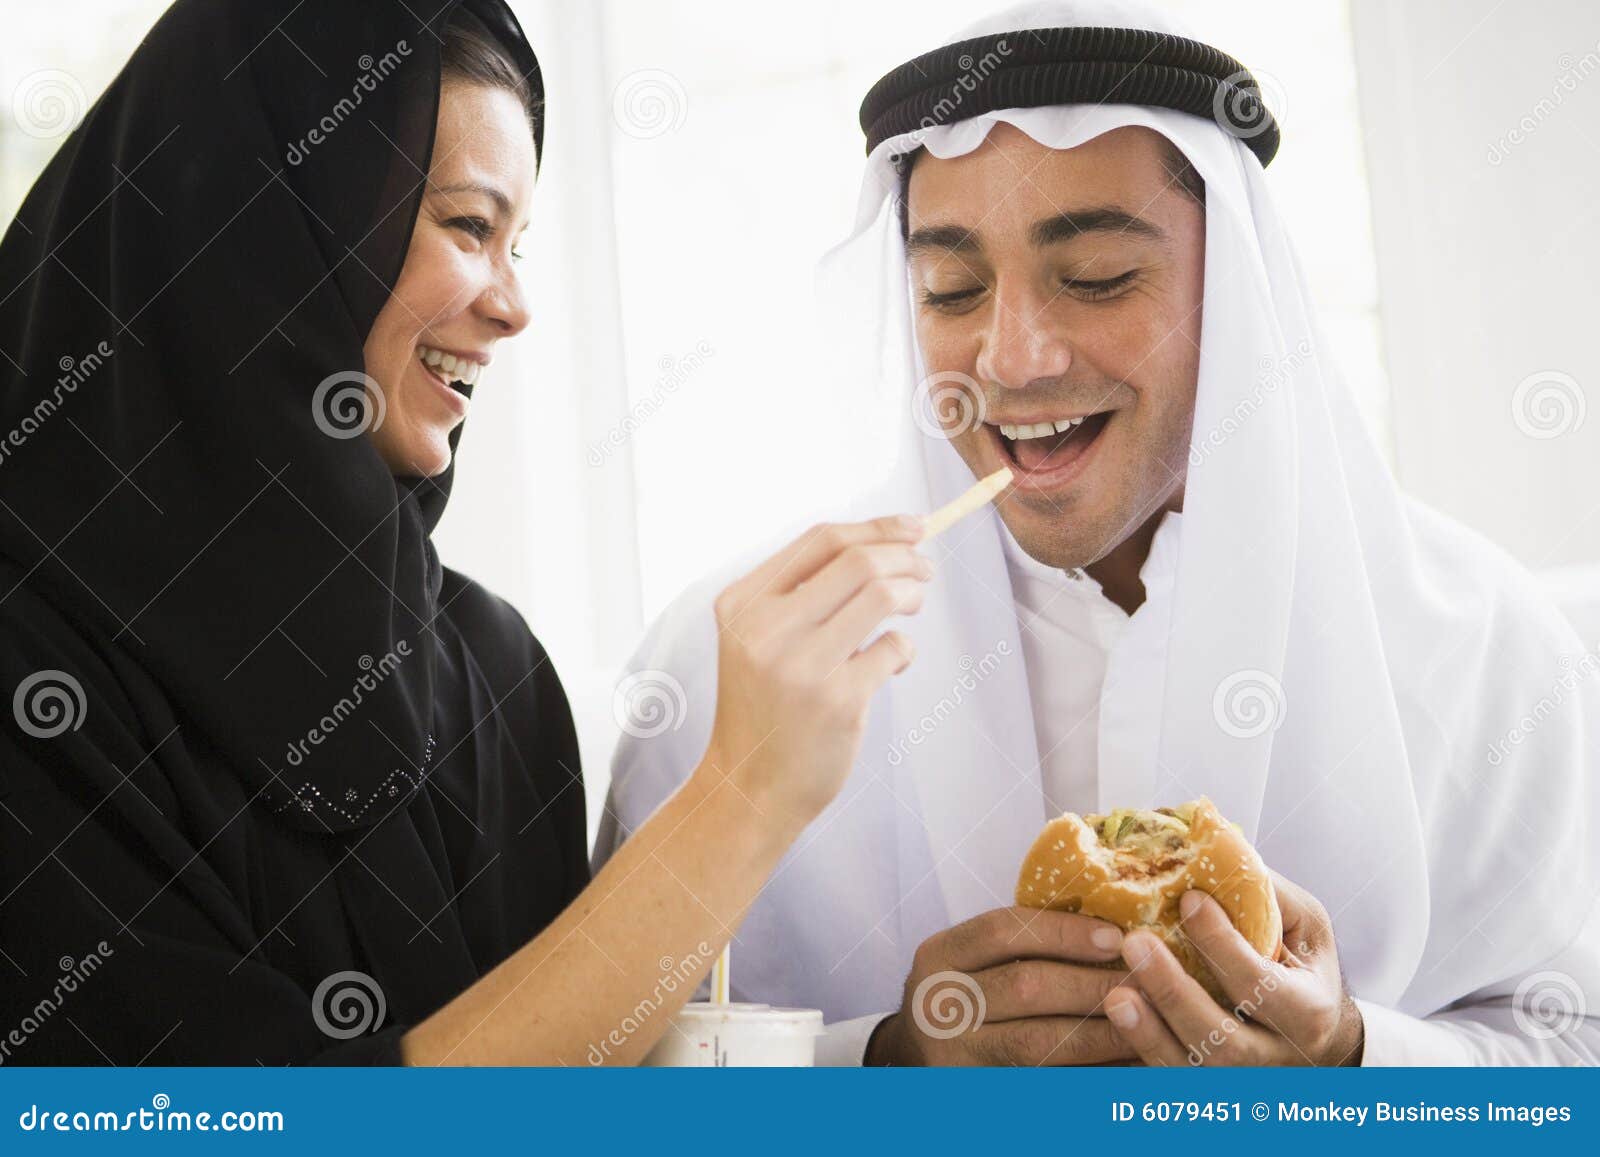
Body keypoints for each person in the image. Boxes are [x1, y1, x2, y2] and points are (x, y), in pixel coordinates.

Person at [599, 0, 1600, 1066]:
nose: (1013, 358)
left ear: (1239, 293)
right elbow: (599, 1078)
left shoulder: (1488, 644)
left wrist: (1351, 1062)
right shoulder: (724, 667)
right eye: (952, 288)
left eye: (1096, 280)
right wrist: (890, 1064)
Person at [0, 0, 928, 1065]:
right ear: (264, 225)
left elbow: (586, 1094)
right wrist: (743, 795)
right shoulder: (34, 672)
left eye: (518, 242)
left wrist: (906, 1056)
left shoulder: (493, 674)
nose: (514, 306)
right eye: (468, 226)